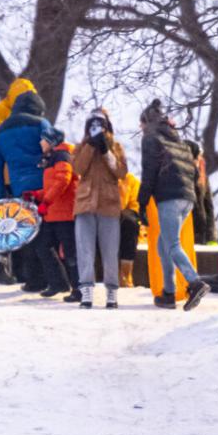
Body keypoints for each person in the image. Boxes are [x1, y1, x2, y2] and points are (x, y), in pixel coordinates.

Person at [137, 99, 209, 310]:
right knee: (163, 245)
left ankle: (194, 282)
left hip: (169, 198)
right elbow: (194, 173)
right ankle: (168, 293)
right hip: (187, 199)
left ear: (147, 122)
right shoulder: (180, 141)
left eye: (141, 125)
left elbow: (148, 172)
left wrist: (141, 203)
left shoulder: (150, 139)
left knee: (172, 244)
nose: (140, 129)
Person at [0, 90, 51, 291]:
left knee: (26, 233)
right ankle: (51, 278)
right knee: (48, 234)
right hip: (45, 188)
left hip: (19, 190)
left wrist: (0, 199)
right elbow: (53, 151)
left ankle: (31, 279)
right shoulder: (41, 124)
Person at [71, 108, 129, 309]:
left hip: (109, 205)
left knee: (110, 251)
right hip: (85, 205)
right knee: (84, 250)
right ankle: (86, 291)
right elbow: (77, 169)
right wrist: (90, 146)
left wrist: (105, 150)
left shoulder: (116, 147)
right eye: (93, 125)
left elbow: (121, 172)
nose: (96, 129)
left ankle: (111, 293)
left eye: (100, 125)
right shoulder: (80, 147)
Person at [24, 131, 79, 300]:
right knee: (43, 246)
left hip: (64, 213)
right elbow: (53, 186)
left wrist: (45, 201)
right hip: (53, 212)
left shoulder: (62, 156)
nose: (40, 142)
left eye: (43, 140)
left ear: (52, 141)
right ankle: (59, 283)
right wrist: (37, 195)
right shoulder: (53, 157)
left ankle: (78, 289)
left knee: (70, 252)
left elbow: (63, 180)